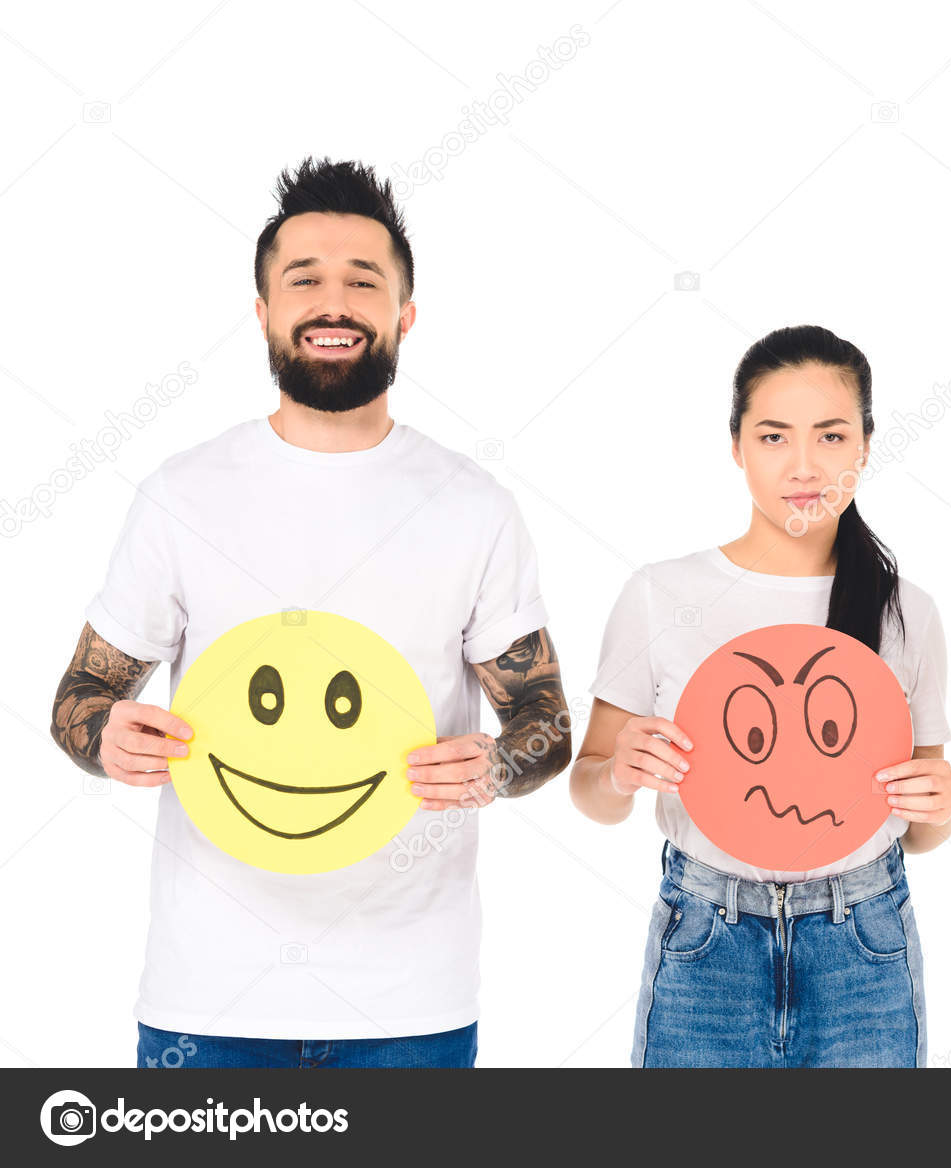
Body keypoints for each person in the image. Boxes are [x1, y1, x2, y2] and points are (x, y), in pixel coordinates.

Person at [49, 157, 571, 1069]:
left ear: (405, 315)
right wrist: (105, 738)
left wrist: (499, 763)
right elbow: (82, 696)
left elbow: (547, 720)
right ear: (262, 312)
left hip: (411, 1007)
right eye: (305, 281)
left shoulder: (472, 505)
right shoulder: (182, 494)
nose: (334, 304)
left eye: (363, 283)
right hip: (205, 1004)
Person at [570, 324, 951, 1067]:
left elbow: (925, 828)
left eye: (832, 437)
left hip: (864, 942)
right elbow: (590, 790)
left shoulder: (909, 611)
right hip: (707, 938)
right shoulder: (661, 594)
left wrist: (940, 803)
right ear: (737, 446)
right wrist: (619, 769)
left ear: (866, 447)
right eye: (775, 437)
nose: (804, 465)